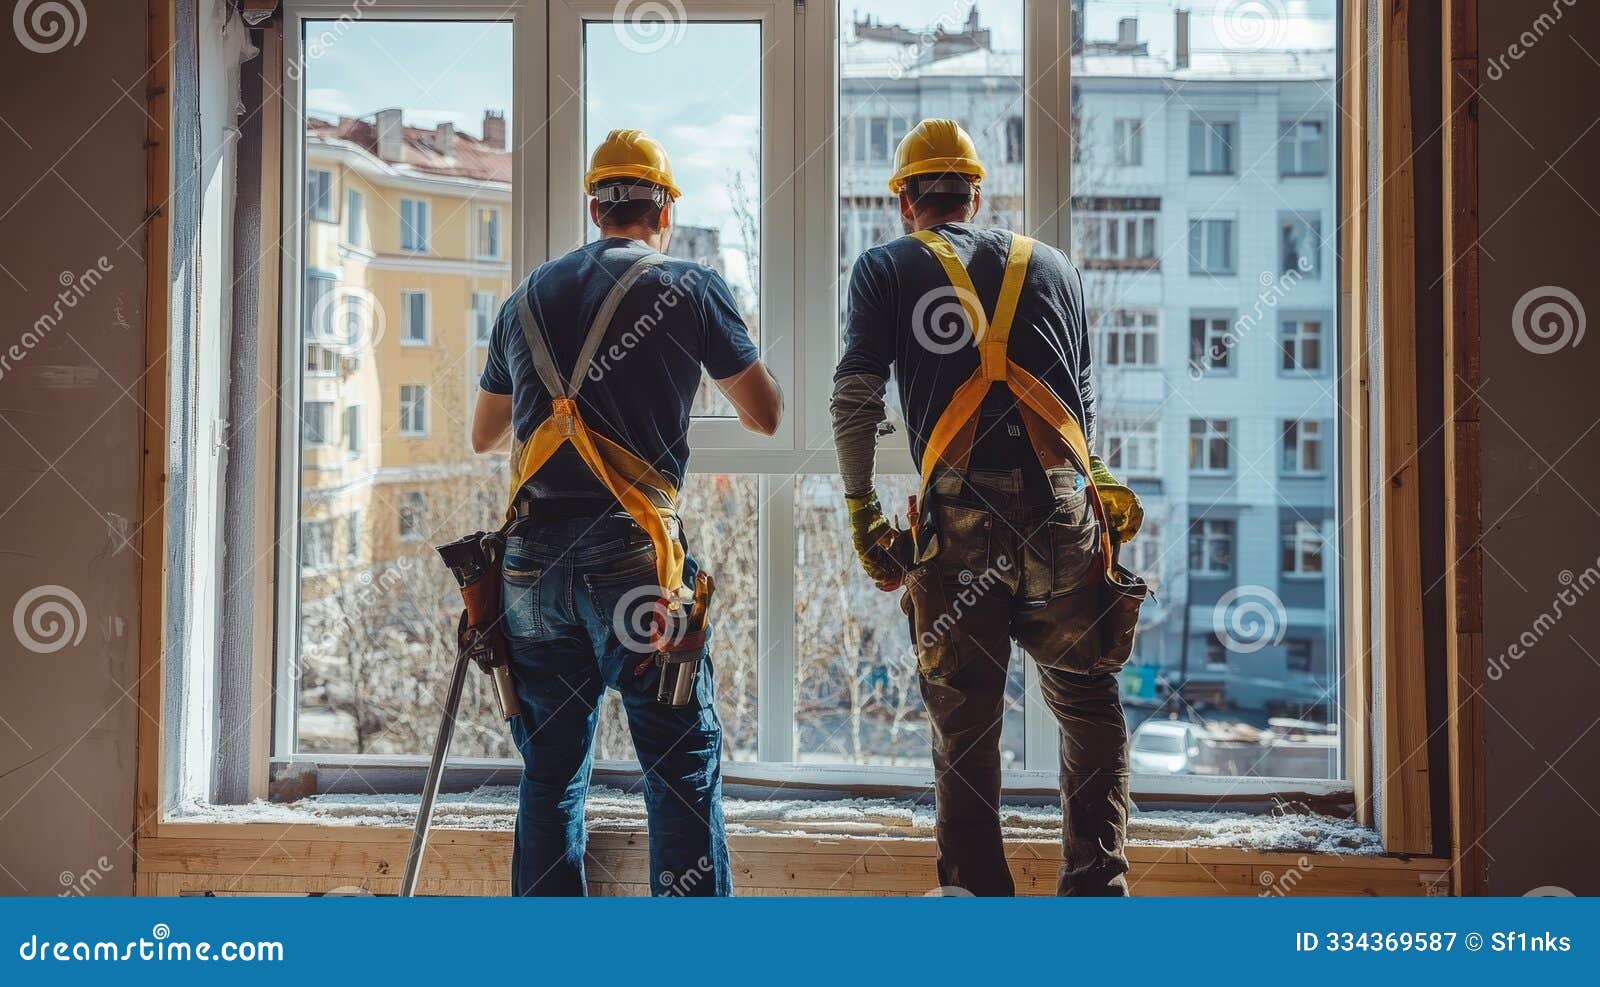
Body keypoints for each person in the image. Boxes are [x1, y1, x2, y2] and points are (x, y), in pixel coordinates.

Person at [830, 119, 1145, 896]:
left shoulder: (884, 268)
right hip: (1062, 508)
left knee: (965, 729)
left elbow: (854, 397)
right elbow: (1081, 402)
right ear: (978, 193)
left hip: (962, 519)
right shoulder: (1057, 267)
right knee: (1089, 704)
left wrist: (861, 510)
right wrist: (1098, 482)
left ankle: (978, 912)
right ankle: (1096, 898)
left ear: (904, 200)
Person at [471, 128, 783, 896]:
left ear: (594, 206)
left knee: (548, 771)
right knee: (677, 767)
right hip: (633, 562)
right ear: (664, 208)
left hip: (530, 565)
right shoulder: (690, 286)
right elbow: (766, 416)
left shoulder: (526, 298)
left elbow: (484, 432)